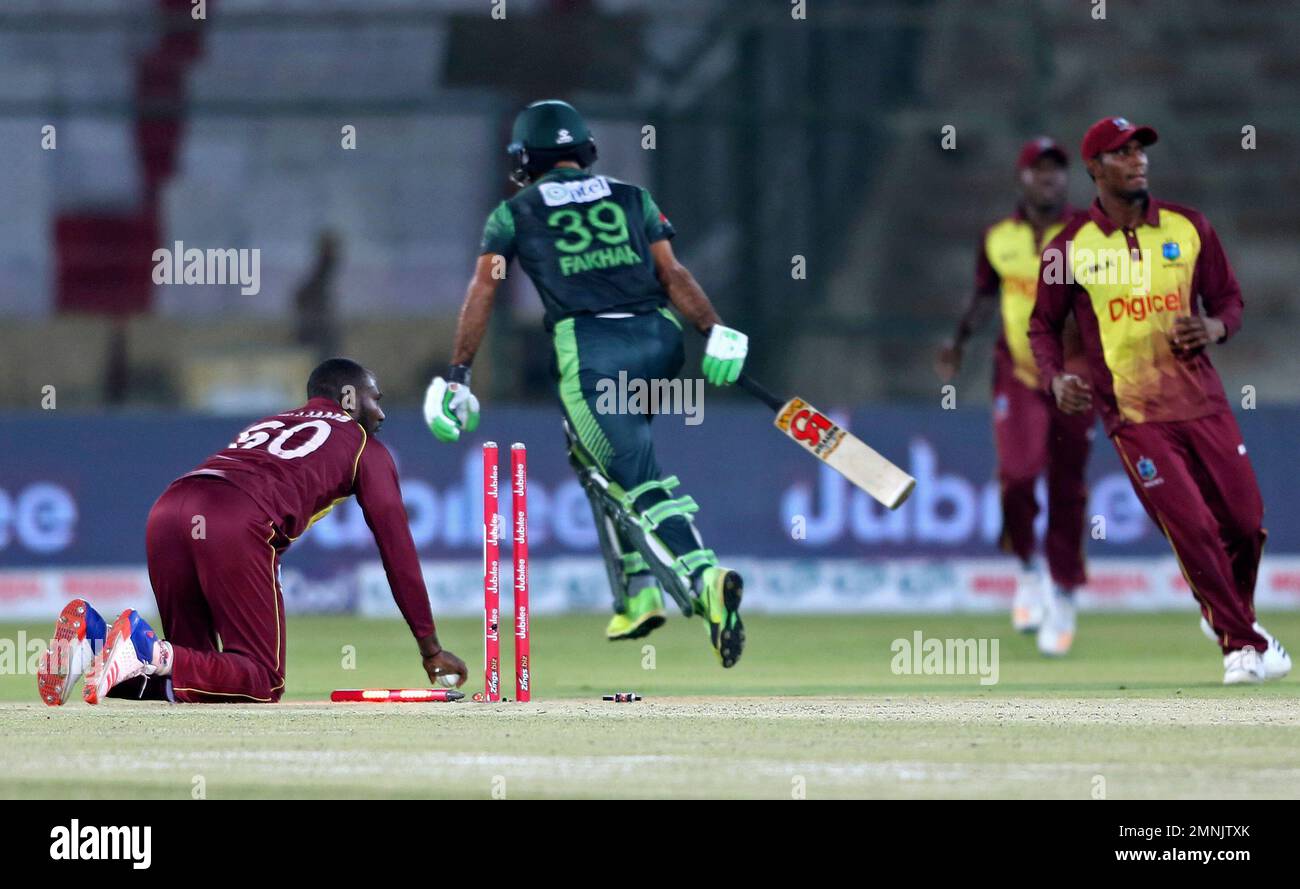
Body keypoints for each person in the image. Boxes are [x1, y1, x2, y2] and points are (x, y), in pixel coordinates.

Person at [423, 99, 747, 667]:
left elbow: (484, 291)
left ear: (526, 159)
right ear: (584, 150)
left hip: (594, 351)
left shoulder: (514, 213)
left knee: (635, 479)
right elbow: (673, 273)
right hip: (661, 342)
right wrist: (714, 329)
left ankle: (703, 579)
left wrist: (459, 374)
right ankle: (639, 592)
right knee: (595, 458)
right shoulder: (631, 197)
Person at [36, 358, 467, 705]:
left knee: (197, 682)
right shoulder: (363, 445)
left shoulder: (276, 421)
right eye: (377, 400)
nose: (383, 413)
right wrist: (430, 648)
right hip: (234, 519)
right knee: (261, 680)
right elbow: (398, 550)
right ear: (350, 397)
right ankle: (146, 648)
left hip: (169, 509)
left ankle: (93, 640)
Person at [1028, 116, 1290, 684]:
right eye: (1122, 153)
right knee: (1192, 526)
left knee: (1245, 524)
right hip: (1133, 414)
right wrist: (1054, 379)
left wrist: (1214, 329)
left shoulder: (1190, 226)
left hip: (1205, 404)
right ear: (1095, 168)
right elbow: (1042, 328)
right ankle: (1239, 645)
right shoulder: (1068, 247)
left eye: (1141, 150)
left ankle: (1228, 614)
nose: (1138, 160)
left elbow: (1230, 301)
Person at [938, 137, 1092, 655]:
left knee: (1067, 486)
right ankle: (1028, 568)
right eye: (1040, 170)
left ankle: (1065, 593)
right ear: (1022, 178)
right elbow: (984, 295)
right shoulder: (998, 237)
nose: (1051, 179)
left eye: (1058, 171)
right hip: (1019, 372)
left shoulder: (1088, 234)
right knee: (1019, 476)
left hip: (1073, 372)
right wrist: (958, 342)